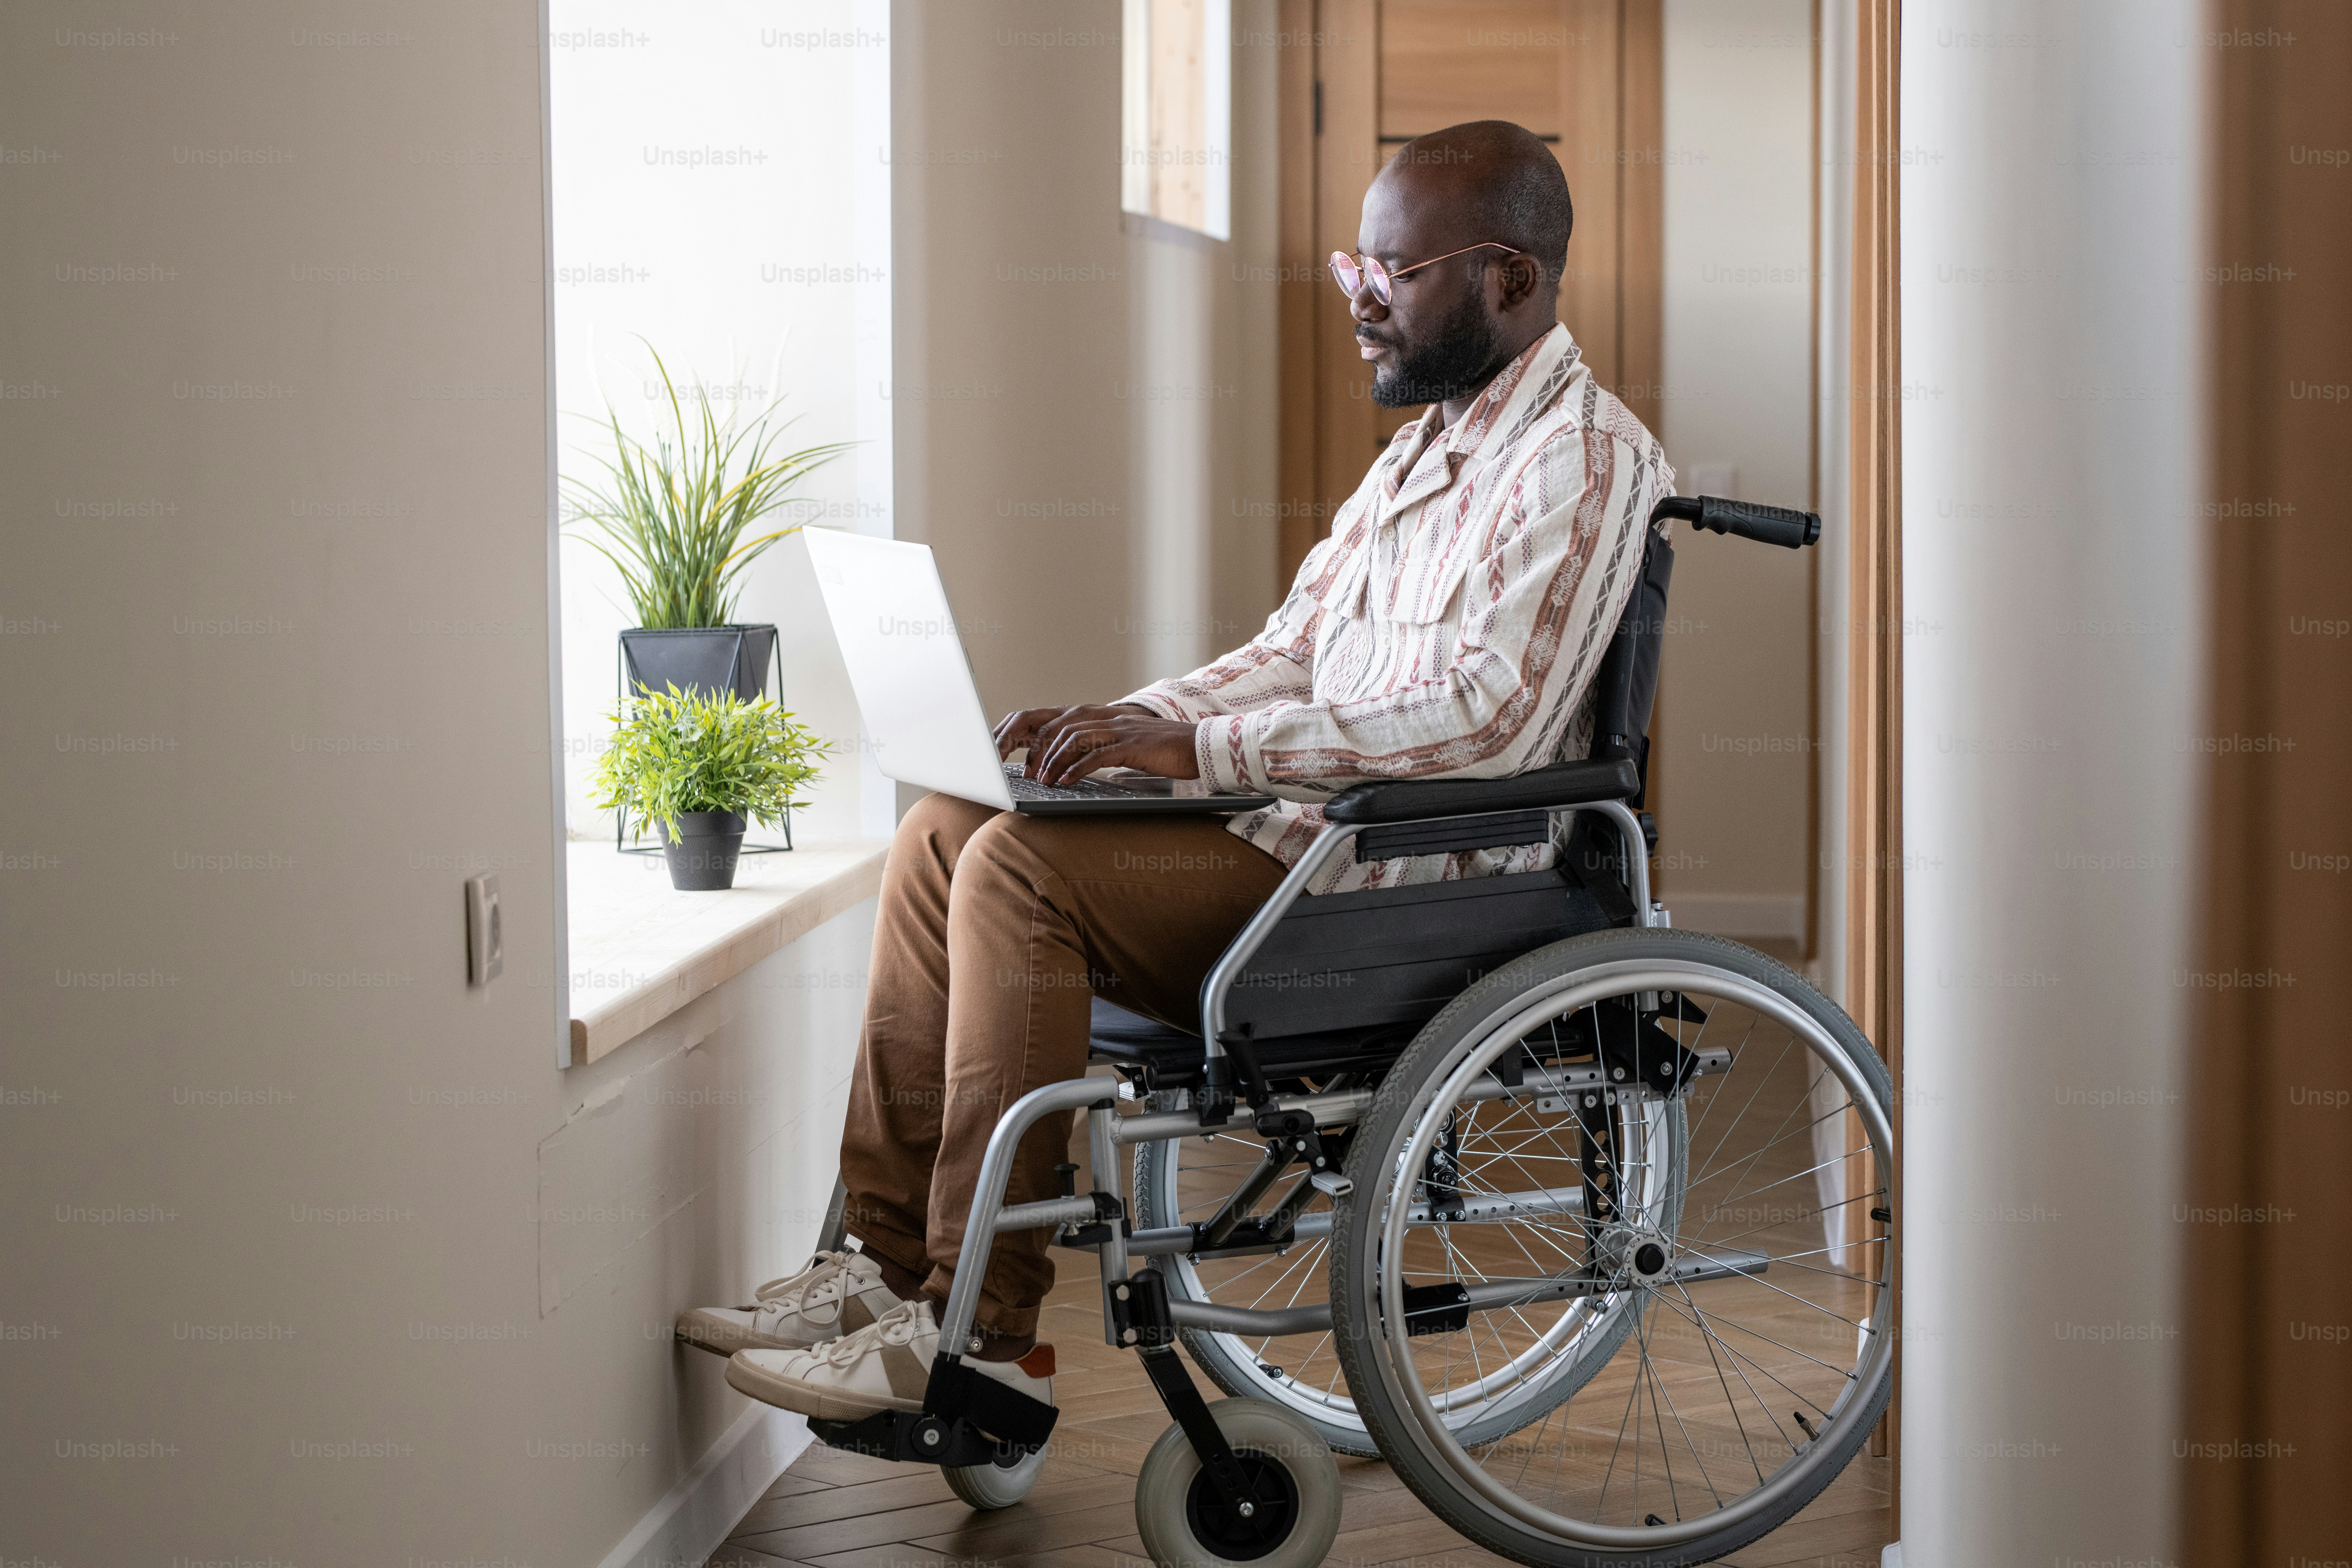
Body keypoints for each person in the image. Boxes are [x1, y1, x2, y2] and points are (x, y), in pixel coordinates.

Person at [681, 119, 1676, 1425]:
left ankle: (970, 1332)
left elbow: (1485, 719)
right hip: (1303, 844)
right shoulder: (1420, 457)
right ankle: (872, 1275)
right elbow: (1294, 653)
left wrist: (1196, 755)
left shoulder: (1584, 460)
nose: (1361, 300)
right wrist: (1119, 725)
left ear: (1507, 279)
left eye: (1394, 271)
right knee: (948, 828)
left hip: (1406, 882)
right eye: (1351, 269)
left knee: (1020, 875)